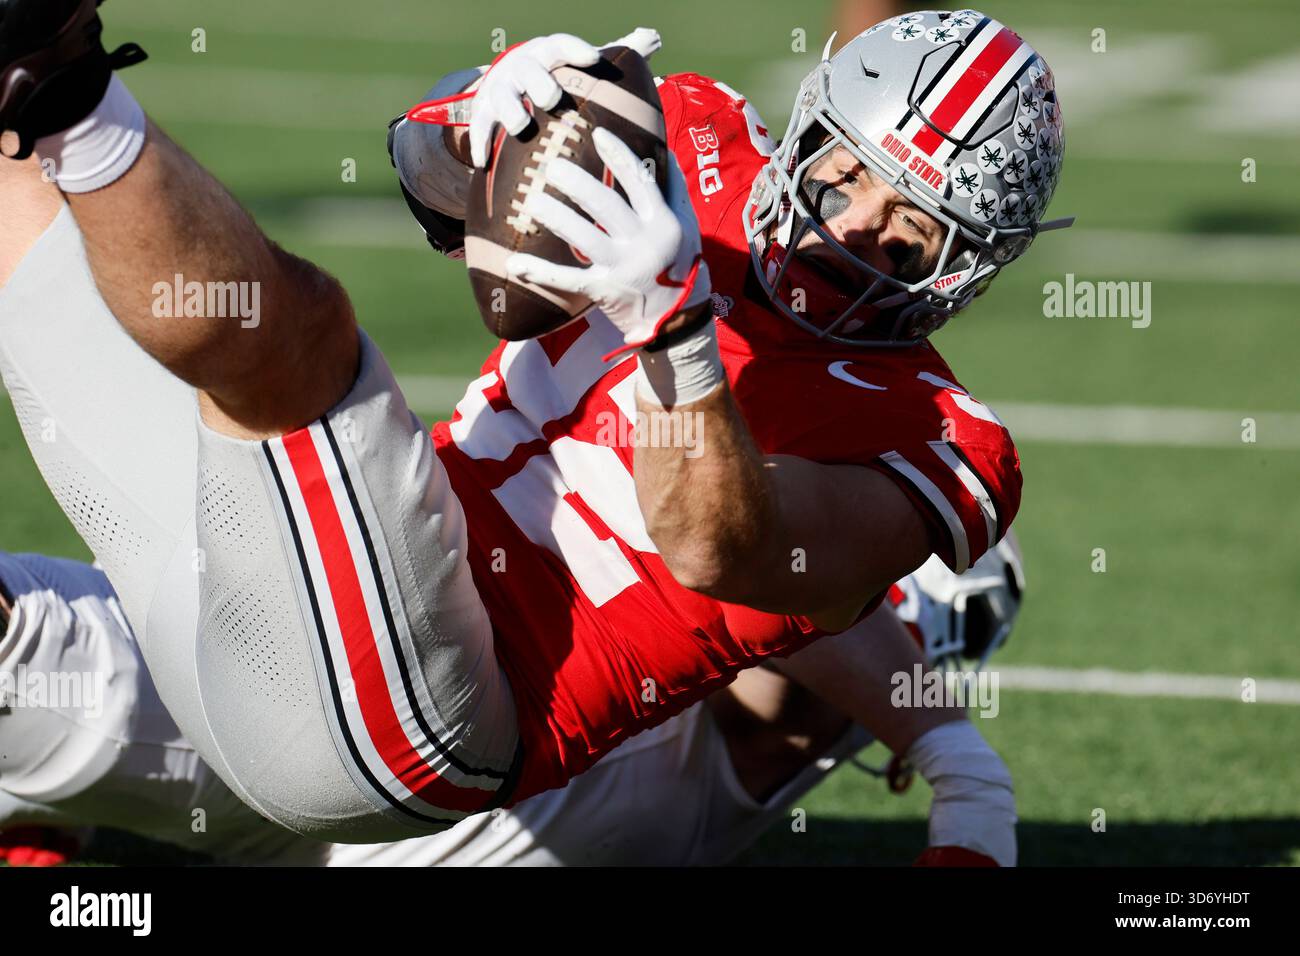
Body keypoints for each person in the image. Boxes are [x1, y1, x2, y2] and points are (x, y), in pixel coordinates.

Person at [0, 3, 1062, 860]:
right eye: (846, 169)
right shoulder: (695, 129)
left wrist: (675, 332)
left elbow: (725, 547)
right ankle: (42, 77)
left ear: (972, 265)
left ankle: (72, 71)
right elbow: (433, 179)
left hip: (429, 715)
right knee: (15, 157)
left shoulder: (943, 440)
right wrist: (482, 114)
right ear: (810, 124)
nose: (856, 224)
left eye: (916, 228)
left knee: (300, 343)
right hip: (310, 595)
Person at [0, 539, 1024, 865]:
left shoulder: (753, 736)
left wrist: (936, 737)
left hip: (283, 783)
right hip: (283, 677)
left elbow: (804, 605)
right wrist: (947, 747)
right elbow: (778, 589)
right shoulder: (701, 619)